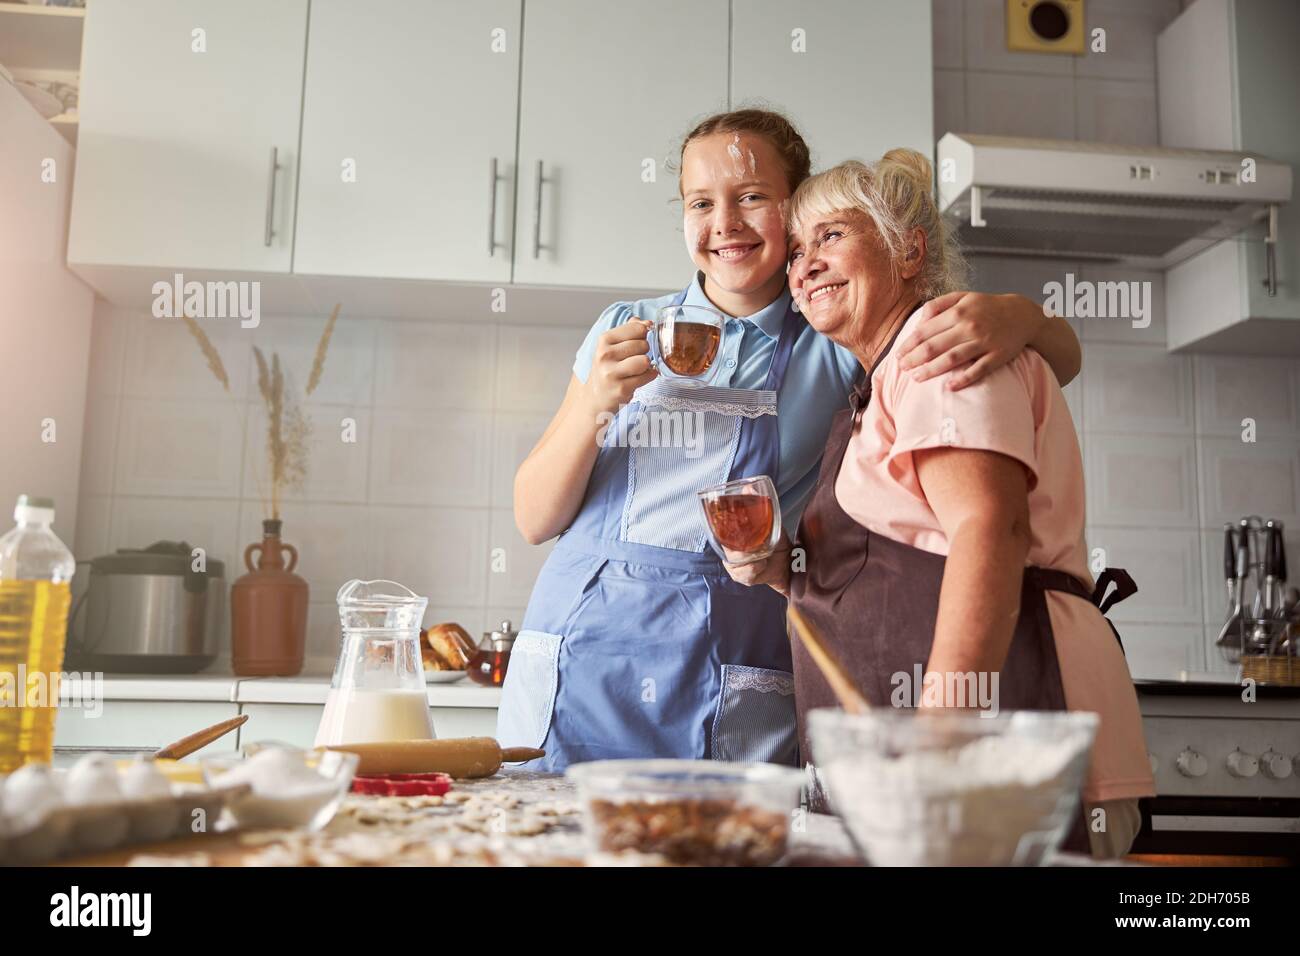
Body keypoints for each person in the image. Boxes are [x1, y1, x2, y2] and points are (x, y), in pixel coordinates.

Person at [497, 109, 1084, 774]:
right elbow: (533, 517)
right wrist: (592, 408)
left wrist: (1026, 315)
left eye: (752, 197)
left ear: (793, 208)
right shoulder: (628, 326)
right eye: (700, 202)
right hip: (585, 653)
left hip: (734, 655)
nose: (725, 223)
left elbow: (1051, 363)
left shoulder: (831, 333)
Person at [728, 150, 1155, 857]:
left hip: (988, 755)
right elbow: (895, 557)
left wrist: (942, 740)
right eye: (798, 248)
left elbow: (990, 528)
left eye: (832, 235)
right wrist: (784, 570)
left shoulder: (938, 351)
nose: (803, 264)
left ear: (908, 251)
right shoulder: (878, 384)